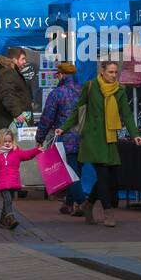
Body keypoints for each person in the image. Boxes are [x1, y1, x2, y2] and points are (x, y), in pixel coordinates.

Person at [56, 59, 141, 228]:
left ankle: (88, 204)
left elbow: (125, 114)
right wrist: (64, 128)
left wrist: (135, 135)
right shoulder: (90, 87)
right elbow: (78, 110)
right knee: (103, 177)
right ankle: (108, 213)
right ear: (102, 72)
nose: (113, 75)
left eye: (115, 72)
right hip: (93, 139)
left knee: (112, 179)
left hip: (110, 138)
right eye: (110, 72)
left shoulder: (119, 90)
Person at [35, 62, 86, 216]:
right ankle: (69, 204)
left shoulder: (57, 93)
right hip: (84, 137)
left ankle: (82, 202)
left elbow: (47, 118)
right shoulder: (83, 90)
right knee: (76, 170)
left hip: (66, 137)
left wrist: (40, 137)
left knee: (70, 172)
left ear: (61, 75)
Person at [0, 128, 41, 230]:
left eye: (9, 141)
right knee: (7, 199)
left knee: (8, 201)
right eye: (5, 141)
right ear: (0, 141)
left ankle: (2, 220)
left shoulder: (16, 151)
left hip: (13, 181)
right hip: (2, 181)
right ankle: (10, 218)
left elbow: (26, 155)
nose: (8, 143)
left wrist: (37, 150)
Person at [0, 48, 34, 133]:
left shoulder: (11, 72)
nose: (25, 62)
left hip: (13, 122)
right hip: (10, 123)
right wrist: (17, 113)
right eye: (22, 59)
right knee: (11, 146)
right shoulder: (7, 72)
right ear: (14, 60)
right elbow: (6, 94)